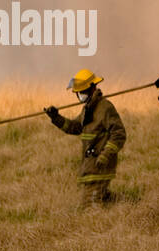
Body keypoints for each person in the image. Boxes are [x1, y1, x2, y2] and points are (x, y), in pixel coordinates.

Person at [45, 69, 127, 207]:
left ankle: (105, 222)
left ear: (92, 88)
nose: (80, 95)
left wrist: (105, 155)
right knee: (104, 200)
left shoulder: (105, 107)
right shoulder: (87, 109)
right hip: (90, 166)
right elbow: (74, 127)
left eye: (82, 92)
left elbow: (119, 134)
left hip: (100, 166)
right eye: (78, 93)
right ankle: (129, 205)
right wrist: (56, 118)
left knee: (89, 206)